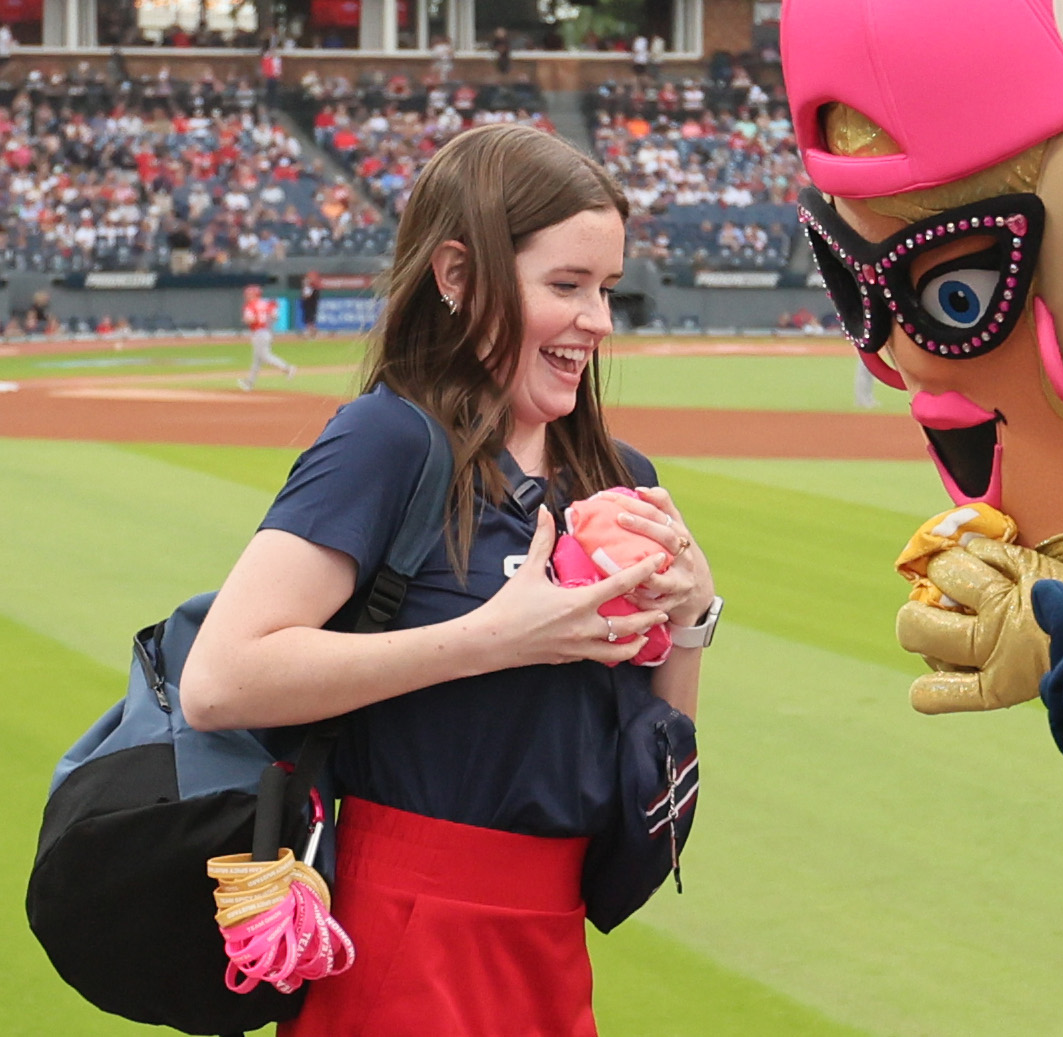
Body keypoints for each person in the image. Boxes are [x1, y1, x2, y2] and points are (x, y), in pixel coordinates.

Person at [180, 123, 718, 1036]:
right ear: (458, 276)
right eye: (566, 286)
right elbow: (221, 680)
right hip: (402, 929)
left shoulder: (613, 472)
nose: (598, 320)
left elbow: (656, 746)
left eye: (606, 290)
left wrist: (694, 619)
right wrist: (492, 640)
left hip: (551, 938)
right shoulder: (386, 441)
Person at [238, 283, 294, 390]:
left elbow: (249, 319)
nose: (247, 296)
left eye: (249, 294)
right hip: (267, 332)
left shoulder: (250, 305)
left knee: (265, 357)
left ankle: (287, 368)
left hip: (259, 333)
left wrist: (248, 320)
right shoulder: (266, 304)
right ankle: (249, 383)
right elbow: (275, 317)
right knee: (257, 360)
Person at [299, 269, 322, 338]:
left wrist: (305, 286)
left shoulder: (311, 289)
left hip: (309, 306)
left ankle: (311, 333)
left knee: (309, 320)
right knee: (309, 321)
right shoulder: (314, 289)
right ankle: (311, 333)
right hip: (310, 306)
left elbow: (306, 296)